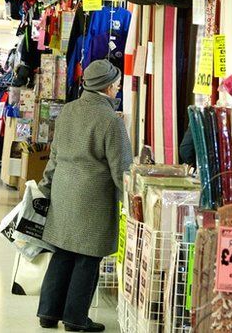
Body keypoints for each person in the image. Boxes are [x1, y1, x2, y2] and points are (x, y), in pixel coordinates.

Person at [37, 60, 133, 332]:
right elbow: (122, 168)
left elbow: (54, 155)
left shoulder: (68, 111)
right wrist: (132, 201)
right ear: (108, 86)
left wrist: (45, 187)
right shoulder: (111, 121)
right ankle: (76, 318)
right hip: (93, 196)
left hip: (63, 190)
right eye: (117, 84)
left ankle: (48, 313)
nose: (118, 88)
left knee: (62, 252)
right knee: (88, 257)